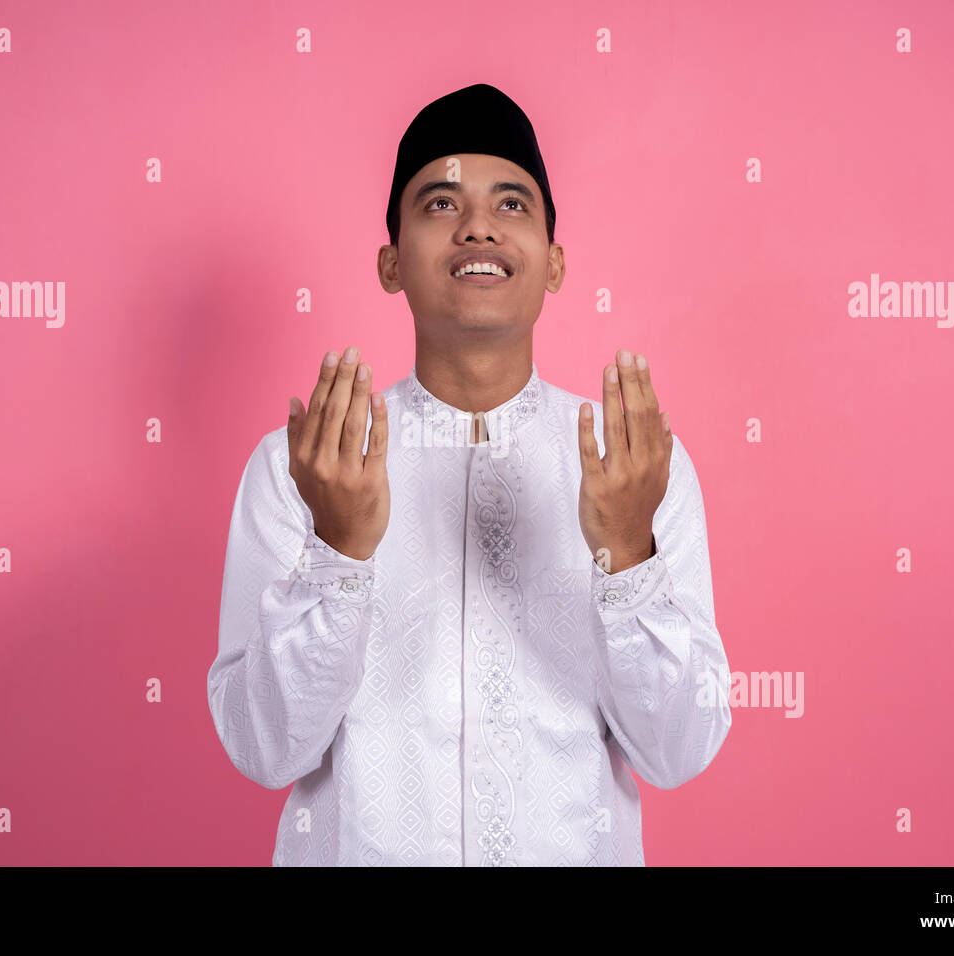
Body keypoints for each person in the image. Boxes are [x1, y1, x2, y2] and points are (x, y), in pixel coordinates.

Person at [207, 83, 731, 866]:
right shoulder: (304, 466)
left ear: (554, 263)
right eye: (441, 203)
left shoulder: (637, 466)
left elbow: (678, 751)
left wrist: (628, 555)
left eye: (512, 203)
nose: (478, 226)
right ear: (391, 262)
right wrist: (337, 553)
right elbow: (263, 748)